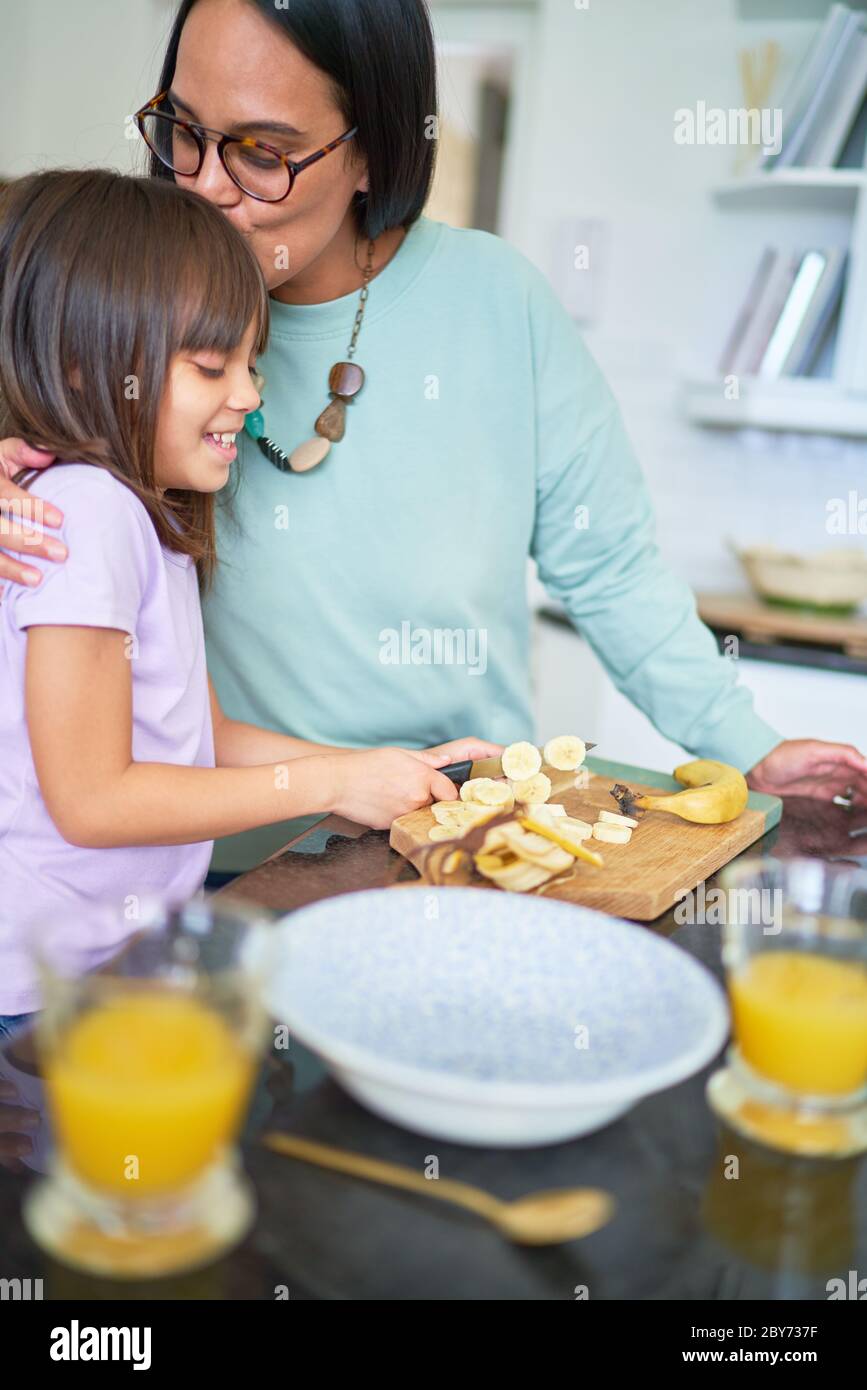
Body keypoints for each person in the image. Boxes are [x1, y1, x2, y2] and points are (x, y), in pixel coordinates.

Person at [1, 0, 865, 884]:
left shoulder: (496, 301)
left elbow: (609, 568)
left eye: (262, 151)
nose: (207, 185)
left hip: (466, 847)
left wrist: (747, 746)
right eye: (183, 131)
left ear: (375, 149)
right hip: (198, 874)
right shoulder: (112, 318)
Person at [0, 168, 496, 1025]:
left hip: (111, 967)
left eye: (251, 363)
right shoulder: (90, 513)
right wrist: (322, 783)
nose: (249, 394)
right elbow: (93, 799)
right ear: (85, 369)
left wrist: (364, 777)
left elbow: (206, 733)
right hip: (40, 995)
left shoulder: (143, 518)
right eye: (208, 365)